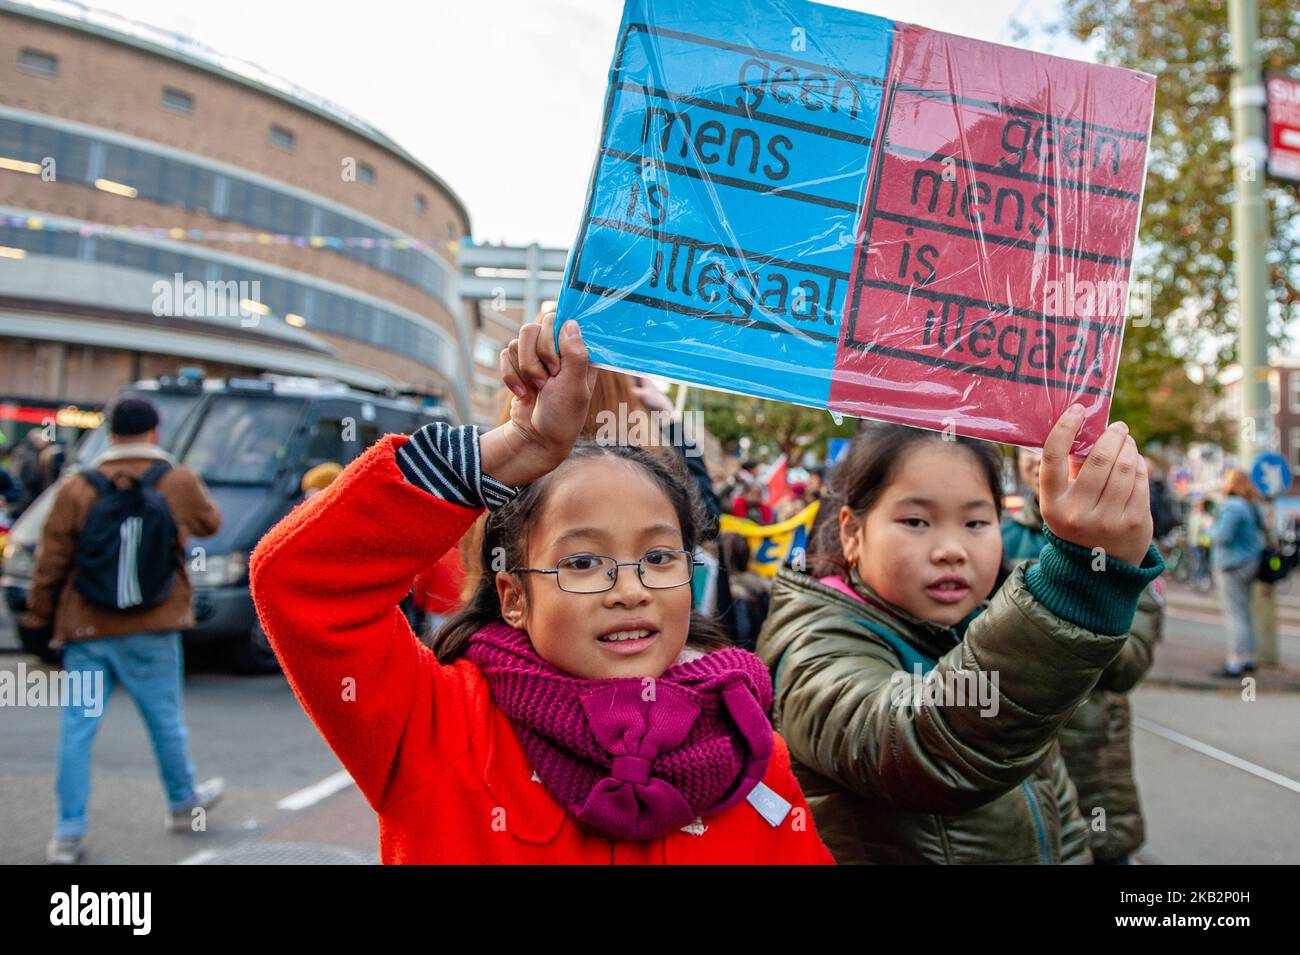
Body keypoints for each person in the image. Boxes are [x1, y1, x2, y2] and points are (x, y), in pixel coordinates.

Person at [249, 310, 833, 864]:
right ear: (513, 598)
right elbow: (300, 580)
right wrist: (513, 450)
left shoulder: (751, 749)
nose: (630, 590)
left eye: (658, 556)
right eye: (581, 562)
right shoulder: (437, 726)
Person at [755, 410, 1164, 863]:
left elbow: (1060, 827)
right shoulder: (811, 646)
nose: (951, 550)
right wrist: (1078, 585)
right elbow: (923, 746)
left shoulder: (987, 626)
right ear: (852, 531)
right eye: (915, 521)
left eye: (975, 523)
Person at [24, 398, 225, 864]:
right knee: (166, 723)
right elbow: (211, 524)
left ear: (110, 434)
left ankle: (67, 834)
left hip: (88, 628)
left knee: (78, 730)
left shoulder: (77, 486)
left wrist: (37, 619)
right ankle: (183, 803)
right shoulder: (177, 479)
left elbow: (50, 560)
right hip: (155, 626)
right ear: (154, 433)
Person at [1002, 446, 1164, 865]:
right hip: (1014, 771)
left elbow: (1128, 663)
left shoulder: (1126, 539)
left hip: (1093, 763)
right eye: (1032, 458)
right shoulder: (996, 535)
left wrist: (1069, 590)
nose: (1042, 465)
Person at [1210, 469, 1266, 678]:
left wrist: (1209, 526)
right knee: (1246, 610)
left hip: (1233, 564)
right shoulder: (1251, 505)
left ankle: (1236, 660)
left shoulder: (1233, 506)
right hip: (1251, 562)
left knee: (1235, 613)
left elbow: (1222, 536)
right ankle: (1249, 657)